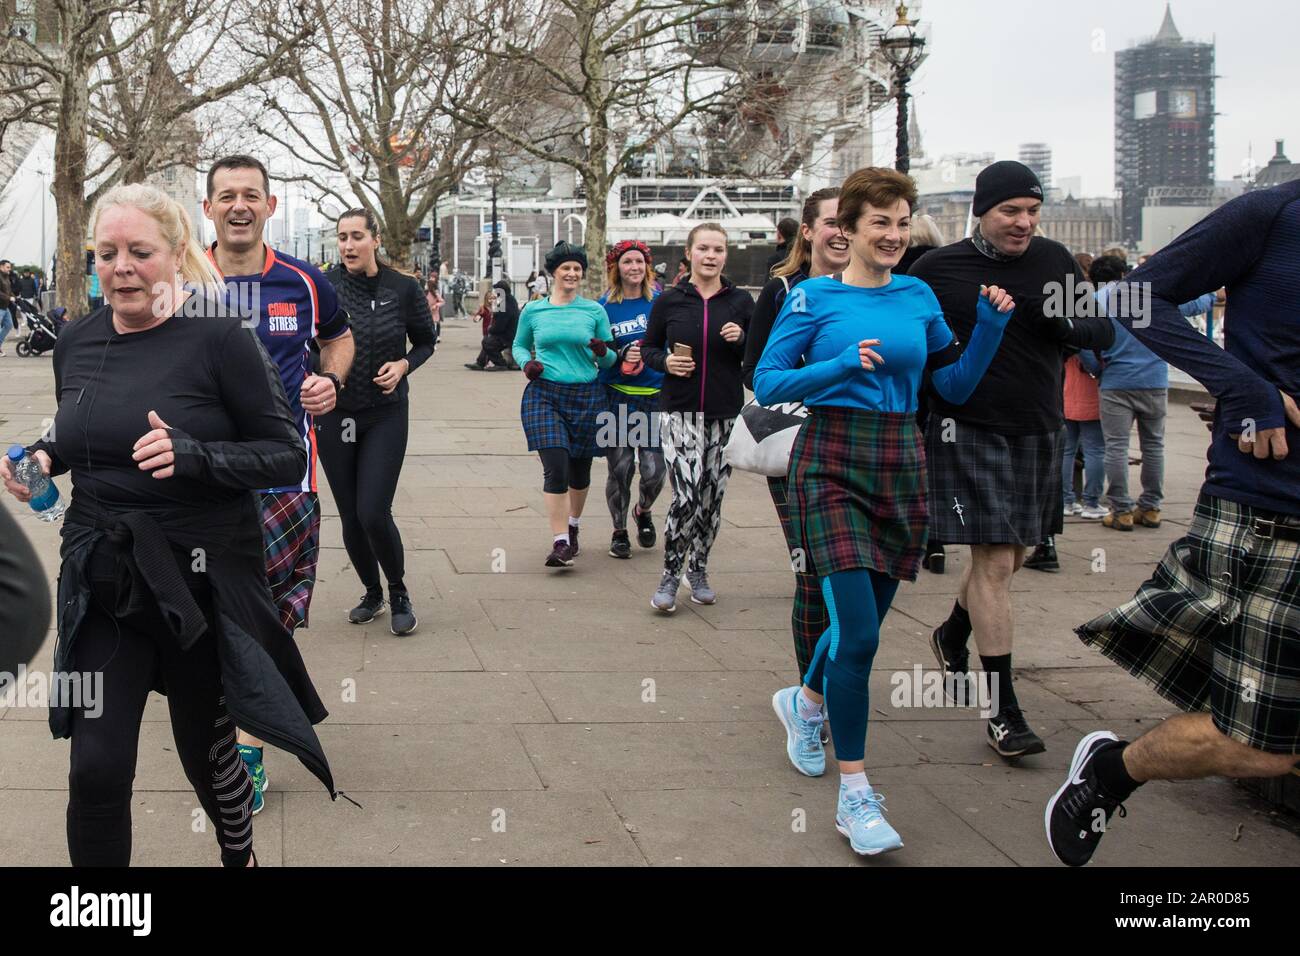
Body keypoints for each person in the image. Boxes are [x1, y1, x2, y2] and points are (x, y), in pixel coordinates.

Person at [0, 182, 334, 866]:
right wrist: (41, 457)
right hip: (104, 586)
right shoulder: (77, 340)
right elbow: (77, 429)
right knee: (94, 770)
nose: (121, 266)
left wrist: (195, 454)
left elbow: (285, 450)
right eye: (106, 252)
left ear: (178, 255)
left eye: (139, 252)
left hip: (199, 592)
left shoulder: (222, 342)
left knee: (207, 762)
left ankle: (238, 855)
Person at [755, 166, 1014, 856]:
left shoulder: (918, 294)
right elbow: (769, 381)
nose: (895, 235)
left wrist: (987, 329)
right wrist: (840, 366)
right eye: (881, 223)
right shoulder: (811, 298)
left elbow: (952, 385)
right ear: (847, 229)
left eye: (903, 222)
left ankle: (804, 702)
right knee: (861, 636)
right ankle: (856, 794)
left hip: (902, 457)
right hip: (831, 459)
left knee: (859, 622)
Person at [1047, 178, 1300, 867]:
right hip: (1273, 511)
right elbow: (1132, 294)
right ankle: (1112, 772)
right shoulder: (1276, 213)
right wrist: (1242, 387)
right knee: (1260, 747)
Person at [910, 160, 1115, 758]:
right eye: (1010, 212)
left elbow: (1100, 330)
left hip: (1039, 426)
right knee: (996, 560)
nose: (1024, 223)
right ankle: (1003, 710)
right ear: (982, 211)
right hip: (967, 428)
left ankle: (953, 629)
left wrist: (1066, 324)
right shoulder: (937, 269)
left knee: (1016, 553)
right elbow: (915, 345)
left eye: (1032, 211)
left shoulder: (1053, 261)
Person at [203, 153, 354, 815]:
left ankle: (249, 748)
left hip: (283, 476)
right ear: (207, 208)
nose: (240, 205)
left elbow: (339, 342)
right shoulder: (181, 278)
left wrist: (331, 380)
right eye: (227, 194)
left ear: (269, 205)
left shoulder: (306, 280)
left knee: (266, 615)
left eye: (251, 195)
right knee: (203, 609)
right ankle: (216, 718)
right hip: (196, 474)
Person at [742, 186, 846, 681]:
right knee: (813, 574)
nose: (842, 231)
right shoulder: (784, 290)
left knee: (855, 580)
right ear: (808, 231)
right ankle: (814, 696)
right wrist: (820, 374)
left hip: (867, 443)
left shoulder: (886, 290)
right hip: (798, 442)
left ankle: (839, 680)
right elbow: (755, 372)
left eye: (852, 220)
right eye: (832, 221)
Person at [319, 208, 436, 635]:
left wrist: (404, 365)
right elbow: (307, 341)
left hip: (385, 413)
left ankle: (399, 590)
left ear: (375, 239)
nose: (348, 246)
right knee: (349, 513)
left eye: (355, 236)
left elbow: (426, 341)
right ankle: (372, 591)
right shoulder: (325, 286)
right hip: (335, 414)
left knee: (373, 510)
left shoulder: (402, 288)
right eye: (341, 237)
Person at [641, 223, 753, 611]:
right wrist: (667, 362)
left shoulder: (740, 301)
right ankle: (671, 573)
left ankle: (699, 568)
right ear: (688, 253)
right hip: (680, 413)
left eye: (718, 249)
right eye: (703, 248)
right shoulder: (670, 301)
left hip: (725, 415)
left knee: (711, 499)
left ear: (725, 255)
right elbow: (649, 349)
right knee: (685, 496)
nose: (711, 256)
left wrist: (743, 339)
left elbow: (758, 357)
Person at [511, 241, 617, 567]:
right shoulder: (533, 311)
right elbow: (518, 346)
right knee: (555, 465)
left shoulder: (594, 311)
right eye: (565, 268)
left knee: (579, 470)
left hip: (586, 395)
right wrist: (526, 365)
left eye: (577, 269)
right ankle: (560, 542)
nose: (571, 273)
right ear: (554, 273)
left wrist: (603, 351)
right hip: (544, 394)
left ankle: (572, 527)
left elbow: (612, 358)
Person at [1077, 254, 1170, 533]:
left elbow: (1083, 339)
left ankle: (1122, 510)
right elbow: (1201, 302)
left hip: (1116, 381)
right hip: (1155, 379)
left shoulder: (1097, 301)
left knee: (1116, 446)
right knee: (1154, 445)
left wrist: (1095, 369)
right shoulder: (1152, 295)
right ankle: (1151, 507)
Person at [598, 239, 666, 559]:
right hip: (616, 397)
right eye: (627, 262)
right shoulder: (604, 307)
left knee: (654, 471)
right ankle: (619, 531)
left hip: (656, 397)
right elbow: (597, 355)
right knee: (620, 469)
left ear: (647, 267)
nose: (634, 268)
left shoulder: (663, 303)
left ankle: (643, 510)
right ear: (616, 268)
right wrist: (618, 353)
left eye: (639, 262)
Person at [900, 213, 947, 573]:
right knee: (935, 460)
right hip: (941, 376)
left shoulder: (899, 275)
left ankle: (906, 532)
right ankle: (936, 540)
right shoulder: (945, 268)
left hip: (908, 382)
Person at [466, 287, 512, 370]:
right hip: (488, 331)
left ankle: (485, 362)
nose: (491, 300)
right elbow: (479, 316)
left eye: (493, 298)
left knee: (488, 345)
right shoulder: (484, 309)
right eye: (489, 299)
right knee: (487, 345)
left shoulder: (499, 307)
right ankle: (480, 362)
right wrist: (477, 318)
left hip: (496, 332)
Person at [0, 259, 15, 356]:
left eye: (10, 267)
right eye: (7, 267)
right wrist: (9, 298)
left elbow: (8, 290)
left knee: (9, 324)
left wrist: (14, 296)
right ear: (1, 267)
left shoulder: (6, 277)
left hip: (5, 307)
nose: (9, 269)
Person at [425, 278, 444, 346]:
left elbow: (442, 301)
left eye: (427, 284)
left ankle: (434, 341)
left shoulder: (435, 293)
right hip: (426, 312)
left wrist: (436, 305)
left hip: (434, 313)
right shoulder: (425, 292)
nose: (425, 285)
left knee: (434, 327)